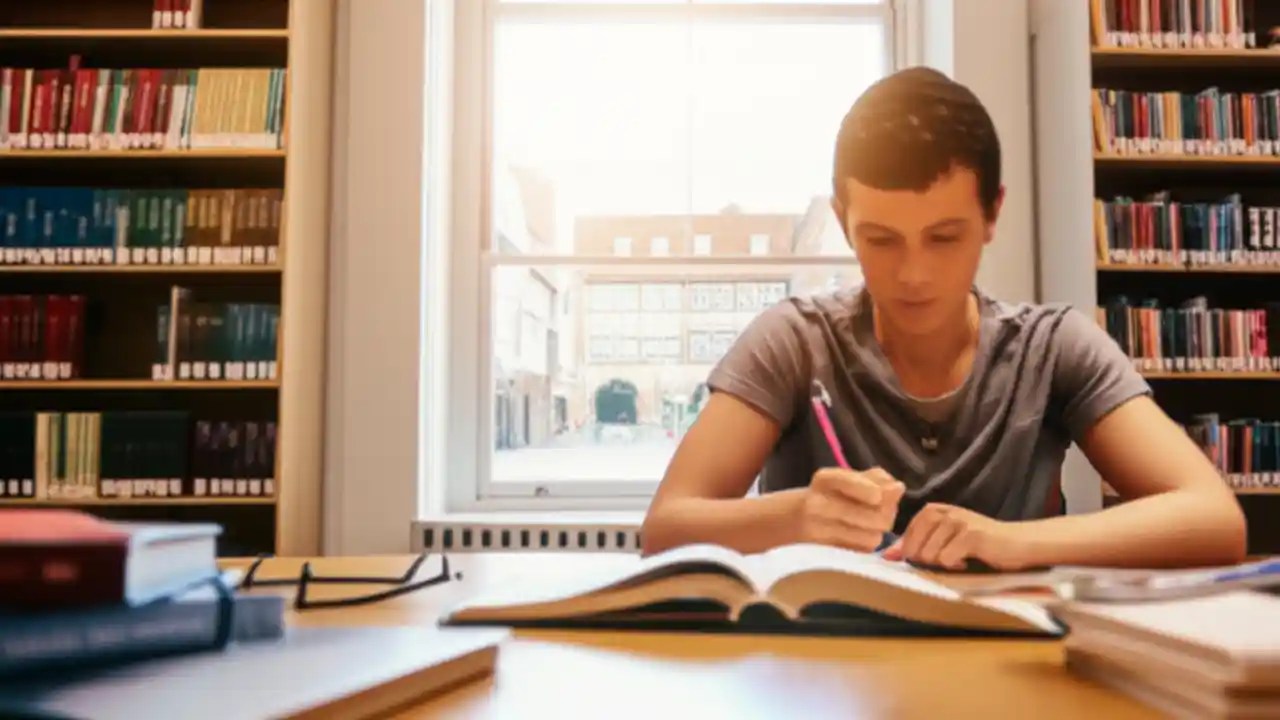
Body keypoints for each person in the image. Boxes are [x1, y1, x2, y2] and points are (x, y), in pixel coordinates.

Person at [640, 66, 1247, 570]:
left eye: (944, 237)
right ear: (843, 218)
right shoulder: (794, 340)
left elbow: (1214, 521)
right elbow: (665, 528)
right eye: (880, 239)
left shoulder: (1053, 347)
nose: (913, 274)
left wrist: (1011, 541)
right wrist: (794, 515)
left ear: (992, 214)